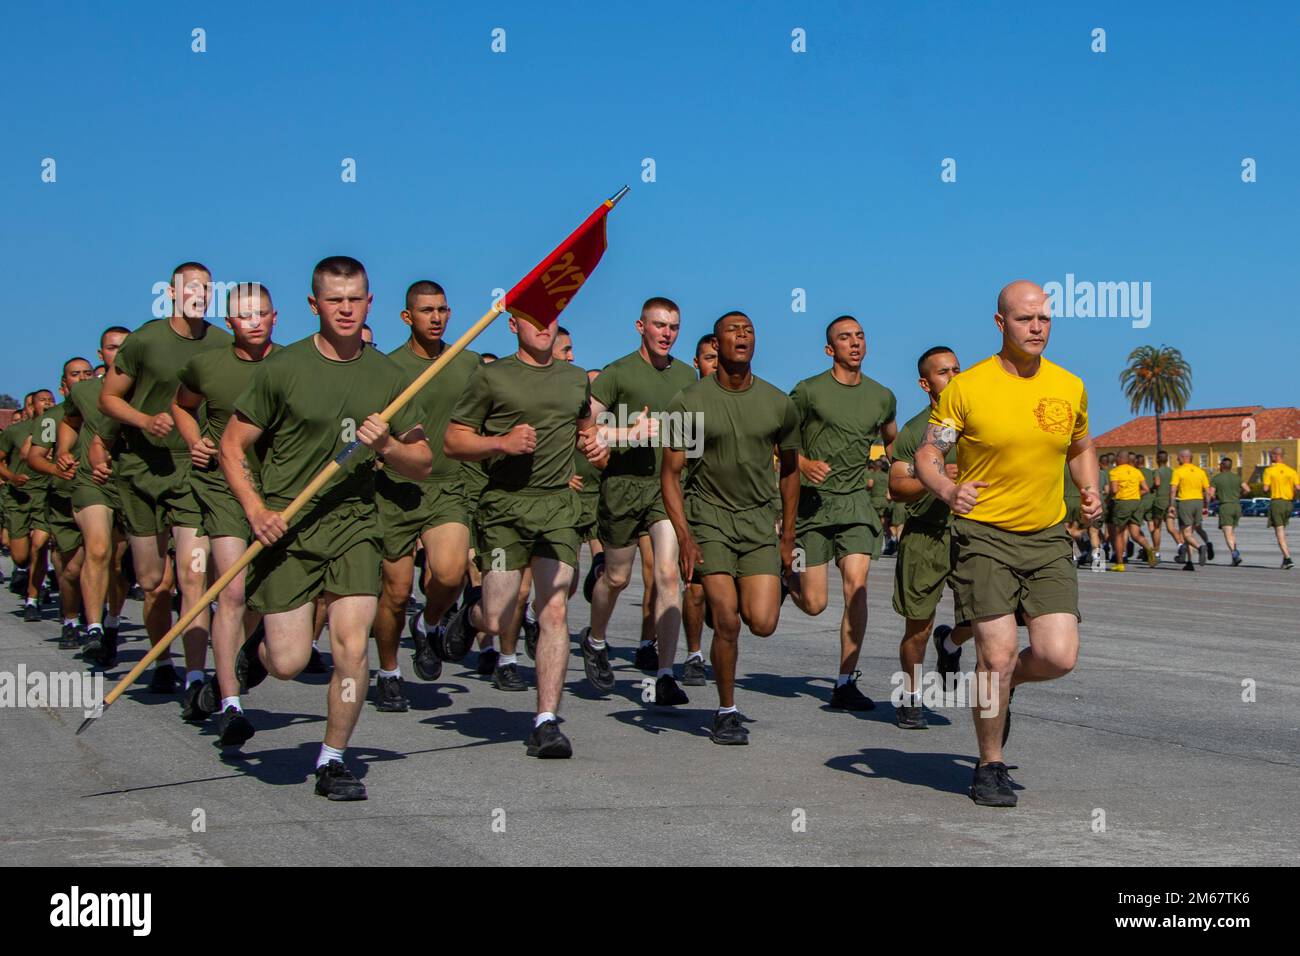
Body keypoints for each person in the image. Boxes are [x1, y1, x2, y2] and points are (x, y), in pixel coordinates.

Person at [222, 256, 432, 799]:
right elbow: (231, 445)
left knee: (350, 648)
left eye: (355, 299)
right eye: (334, 300)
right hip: (287, 524)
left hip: (355, 523)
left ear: (370, 304)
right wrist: (255, 510)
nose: (345, 308)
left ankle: (332, 760)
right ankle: (259, 652)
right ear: (314, 305)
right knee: (289, 663)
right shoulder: (282, 369)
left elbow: (423, 462)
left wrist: (386, 445)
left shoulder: (389, 376)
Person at [914, 280, 1099, 808]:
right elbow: (929, 454)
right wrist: (949, 488)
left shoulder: (1069, 385)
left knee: (1058, 656)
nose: (1036, 327)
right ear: (1001, 324)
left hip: (1046, 537)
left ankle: (1004, 684)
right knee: (993, 655)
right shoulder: (966, 388)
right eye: (1025, 319)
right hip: (983, 536)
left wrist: (1090, 489)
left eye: (1043, 318)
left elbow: (1081, 446)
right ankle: (989, 764)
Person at [443, 311, 606, 758]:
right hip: (504, 508)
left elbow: (585, 430)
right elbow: (454, 441)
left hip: (556, 508)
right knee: (497, 616)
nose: (544, 327)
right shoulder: (491, 378)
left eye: (551, 320)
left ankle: (546, 721)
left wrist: (593, 444)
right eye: (533, 319)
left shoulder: (575, 379)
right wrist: (500, 443)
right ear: (513, 325)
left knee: (553, 610)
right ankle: (471, 614)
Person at [661, 311, 800, 745]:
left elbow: (791, 471)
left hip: (759, 521)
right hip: (709, 520)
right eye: (732, 331)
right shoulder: (689, 401)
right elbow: (669, 474)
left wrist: (788, 537)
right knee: (726, 619)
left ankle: (747, 598)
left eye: (749, 330)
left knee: (762, 621)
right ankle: (726, 710)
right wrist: (684, 535)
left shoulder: (778, 403)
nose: (742, 336)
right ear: (716, 345)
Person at [98, 261, 230, 705]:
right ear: (172, 292)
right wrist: (143, 419)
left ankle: (196, 676)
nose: (199, 294)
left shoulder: (222, 344)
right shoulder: (146, 340)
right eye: (191, 287)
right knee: (155, 583)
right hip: (142, 470)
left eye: (207, 288)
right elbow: (109, 399)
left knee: (194, 576)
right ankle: (162, 661)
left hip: (193, 470)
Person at [173, 282, 279, 744]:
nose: (253, 321)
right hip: (221, 486)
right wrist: (194, 439)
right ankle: (230, 705)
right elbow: (180, 405)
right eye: (242, 315)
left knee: (259, 596)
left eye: (261, 313)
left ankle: (235, 660)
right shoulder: (206, 364)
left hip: (276, 488)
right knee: (232, 591)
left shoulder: (292, 363)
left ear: (276, 317)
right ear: (229, 321)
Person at [581, 297, 697, 705]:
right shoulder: (616, 374)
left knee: (667, 576)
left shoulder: (688, 375)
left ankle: (665, 673)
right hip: (622, 487)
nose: (667, 333)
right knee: (616, 578)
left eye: (674, 327)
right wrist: (627, 433)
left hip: (664, 489)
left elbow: (694, 437)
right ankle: (595, 640)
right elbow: (585, 431)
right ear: (640, 326)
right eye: (659, 325)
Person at [372, 280, 483, 705]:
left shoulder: (467, 361)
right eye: (425, 311)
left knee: (452, 573)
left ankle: (429, 623)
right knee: (397, 594)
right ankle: (388, 671)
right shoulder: (387, 367)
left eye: (442, 310)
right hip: (396, 489)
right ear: (407, 317)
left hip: (447, 486)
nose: (435, 318)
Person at [785, 315, 897, 710]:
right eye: (845, 338)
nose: (855, 343)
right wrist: (802, 464)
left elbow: (893, 443)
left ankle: (845, 680)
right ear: (830, 349)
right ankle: (788, 579)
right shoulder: (808, 392)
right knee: (814, 604)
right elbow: (776, 440)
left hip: (854, 504)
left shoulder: (882, 396)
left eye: (860, 336)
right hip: (813, 504)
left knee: (857, 585)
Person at [888, 346, 973, 729]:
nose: (954, 375)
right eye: (944, 371)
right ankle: (910, 696)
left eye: (957, 368)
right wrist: (935, 478)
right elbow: (896, 487)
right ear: (925, 383)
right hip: (926, 535)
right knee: (918, 626)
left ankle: (951, 643)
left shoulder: (980, 421)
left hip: (975, 533)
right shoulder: (915, 430)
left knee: (987, 618)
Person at [57, 327, 132, 667]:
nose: (119, 353)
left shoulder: (147, 390)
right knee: (98, 548)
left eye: (126, 348)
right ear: (101, 354)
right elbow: (69, 421)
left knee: (118, 564)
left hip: (131, 484)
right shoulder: (84, 391)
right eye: (112, 348)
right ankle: (94, 628)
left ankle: (113, 622)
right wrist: (63, 450)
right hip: (91, 481)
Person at [27, 358, 96, 648]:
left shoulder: (107, 407)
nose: (82, 378)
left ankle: (100, 623)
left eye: (87, 373)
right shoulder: (49, 419)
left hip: (104, 493)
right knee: (71, 569)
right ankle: (70, 619)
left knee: (109, 561)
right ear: (64, 385)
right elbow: (35, 456)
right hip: (64, 498)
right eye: (75, 375)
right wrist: (56, 468)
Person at [1106, 451, 1154, 570]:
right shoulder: (1136, 471)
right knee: (1135, 534)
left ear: (1119, 459)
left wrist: (1107, 498)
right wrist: (1135, 494)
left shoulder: (1115, 472)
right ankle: (1149, 549)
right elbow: (1146, 489)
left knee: (1118, 534)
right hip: (1136, 503)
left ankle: (1120, 563)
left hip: (1122, 503)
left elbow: (1114, 490)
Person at [1170, 449, 1212, 571]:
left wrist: (1172, 505)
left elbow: (1173, 490)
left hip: (1185, 502)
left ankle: (1200, 548)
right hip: (1198, 502)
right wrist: (1206, 506)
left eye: (1178, 458)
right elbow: (1208, 491)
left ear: (1183, 458)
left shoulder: (1178, 471)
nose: (1177, 460)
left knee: (1186, 533)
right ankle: (1189, 562)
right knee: (1191, 532)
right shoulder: (1200, 472)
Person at [1208, 457, 1250, 566]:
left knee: (1227, 533)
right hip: (1237, 506)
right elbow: (1247, 489)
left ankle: (1234, 554)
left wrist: (1213, 499)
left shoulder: (1216, 478)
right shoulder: (1237, 477)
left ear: (1222, 466)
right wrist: (1239, 495)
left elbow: (1211, 494)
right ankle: (1234, 556)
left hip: (1225, 506)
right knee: (1232, 532)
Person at [1262, 448, 1298, 569]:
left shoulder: (1269, 470)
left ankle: (1288, 558)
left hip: (1277, 502)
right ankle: (1284, 558)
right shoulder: (1292, 471)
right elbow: (1298, 487)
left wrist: (1268, 487)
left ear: (1275, 456)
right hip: (1288, 503)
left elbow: (1266, 488)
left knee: (1279, 532)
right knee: (1282, 528)